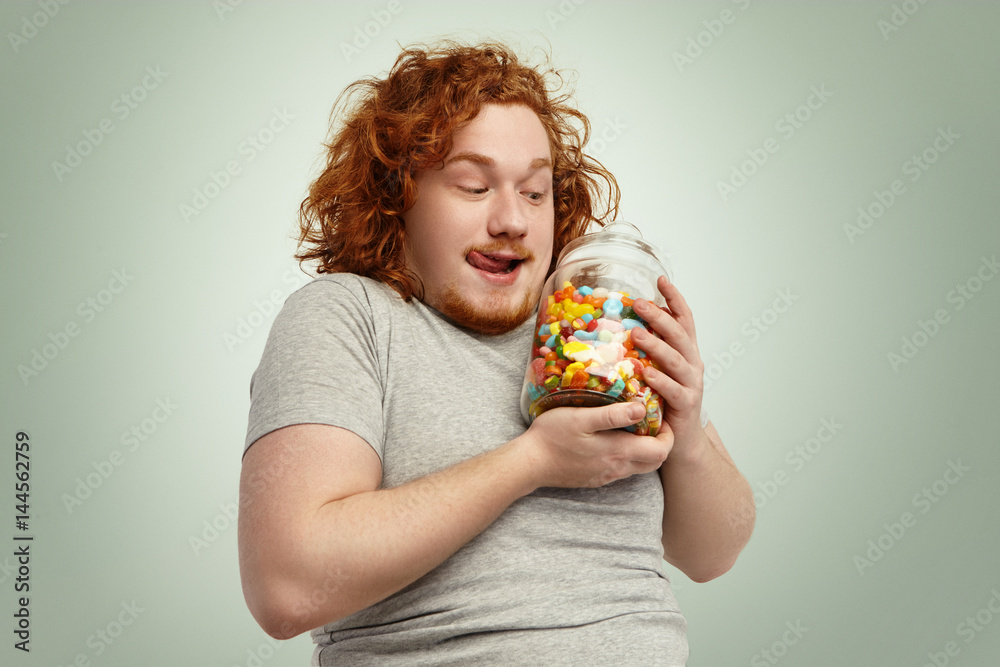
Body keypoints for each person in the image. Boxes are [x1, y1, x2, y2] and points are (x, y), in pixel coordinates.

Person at [238, 39, 755, 666]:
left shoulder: (587, 327)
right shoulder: (349, 317)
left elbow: (712, 555)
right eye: (473, 185)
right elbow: (287, 589)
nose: (512, 219)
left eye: (535, 193)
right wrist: (533, 461)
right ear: (396, 200)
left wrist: (690, 430)